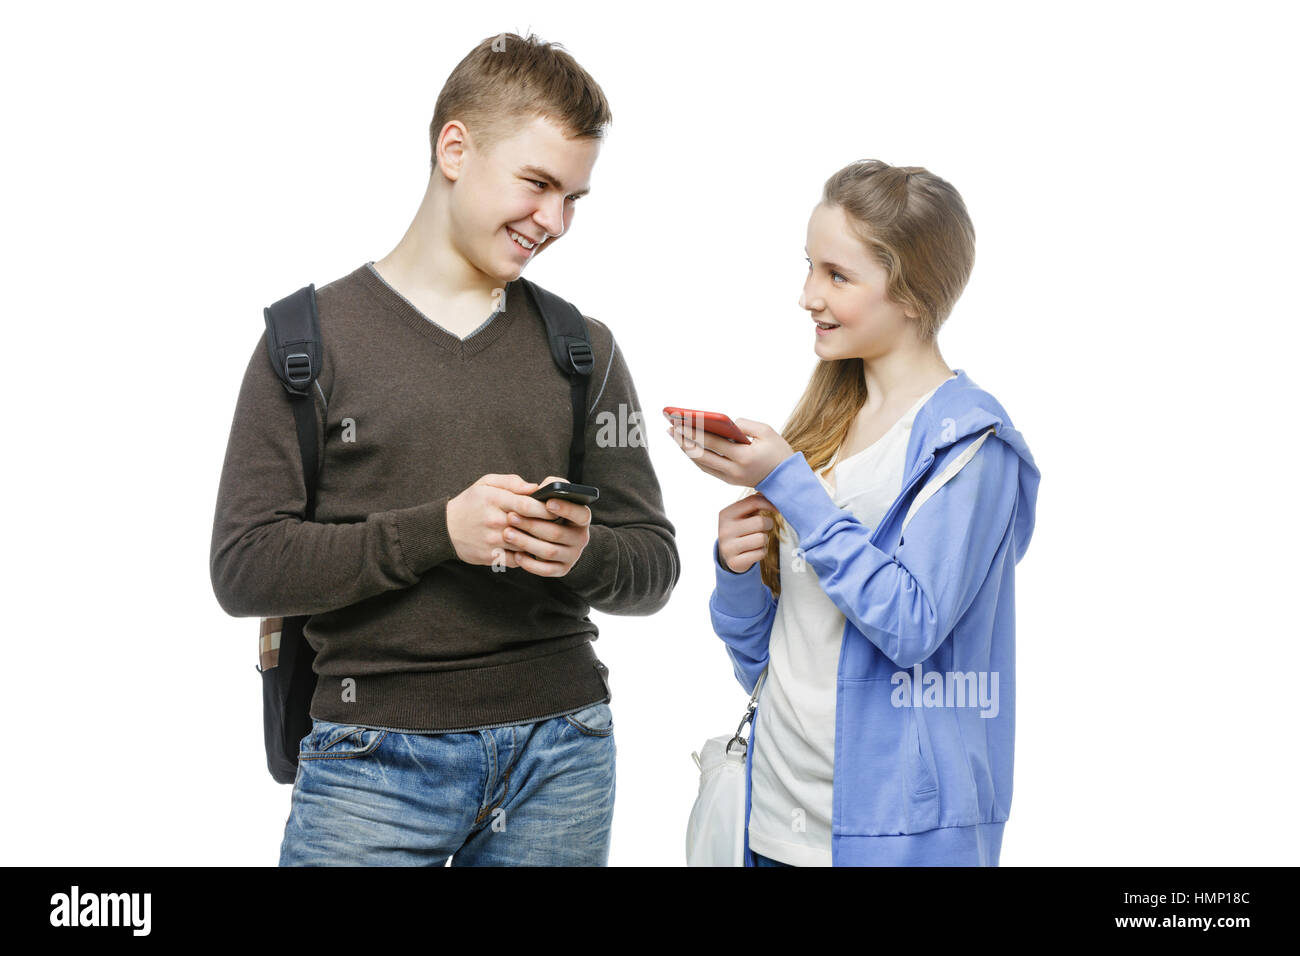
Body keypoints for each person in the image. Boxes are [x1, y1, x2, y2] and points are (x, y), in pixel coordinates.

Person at [210, 32, 679, 866]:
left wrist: (580, 552)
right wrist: (437, 533)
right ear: (453, 148)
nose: (555, 221)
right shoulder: (306, 342)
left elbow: (652, 567)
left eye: (574, 197)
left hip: (562, 755)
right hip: (370, 765)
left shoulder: (584, 349)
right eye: (537, 184)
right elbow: (244, 567)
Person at [668, 159, 1039, 866]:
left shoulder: (972, 448)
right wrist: (736, 569)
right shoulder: (825, 421)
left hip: (888, 842)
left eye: (837, 276)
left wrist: (789, 483)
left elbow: (910, 625)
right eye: (810, 266)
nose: (808, 295)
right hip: (770, 824)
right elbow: (770, 664)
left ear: (911, 294)